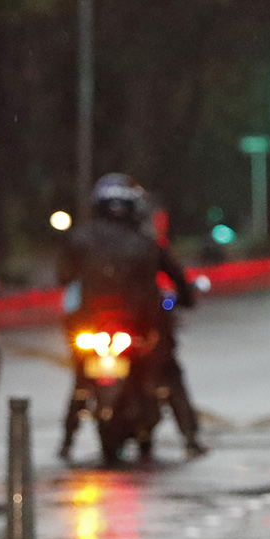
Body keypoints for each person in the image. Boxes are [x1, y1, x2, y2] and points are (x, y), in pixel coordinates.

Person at [57, 174, 204, 459]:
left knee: (81, 381)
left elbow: (63, 276)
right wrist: (186, 299)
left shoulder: (80, 240)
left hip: (98, 330)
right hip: (136, 330)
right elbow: (179, 280)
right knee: (170, 374)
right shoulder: (148, 244)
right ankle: (190, 438)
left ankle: (66, 441)